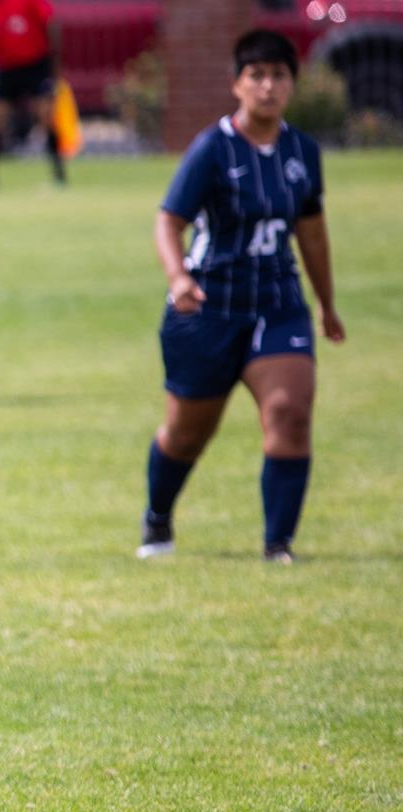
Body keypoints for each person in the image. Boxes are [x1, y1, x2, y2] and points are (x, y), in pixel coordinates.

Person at [139, 30, 342, 564]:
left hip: (278, 304)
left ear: (292, 85)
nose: (268, 87)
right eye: (256, 76)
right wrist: (177, 276)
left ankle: (278, 545)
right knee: (186, 434)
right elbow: (168, 222)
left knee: (289, 413)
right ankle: (158, 516)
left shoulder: (302, 153)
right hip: (208, 310)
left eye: (278, 76)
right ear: (237, 84)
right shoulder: (213, 149)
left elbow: (313, 233)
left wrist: (326, 304)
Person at [0, 0, 66, 187]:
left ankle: (59, 173)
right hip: (5, 67)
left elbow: (51, 25)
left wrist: (55, 69)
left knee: (46, 115)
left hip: (35, 64)